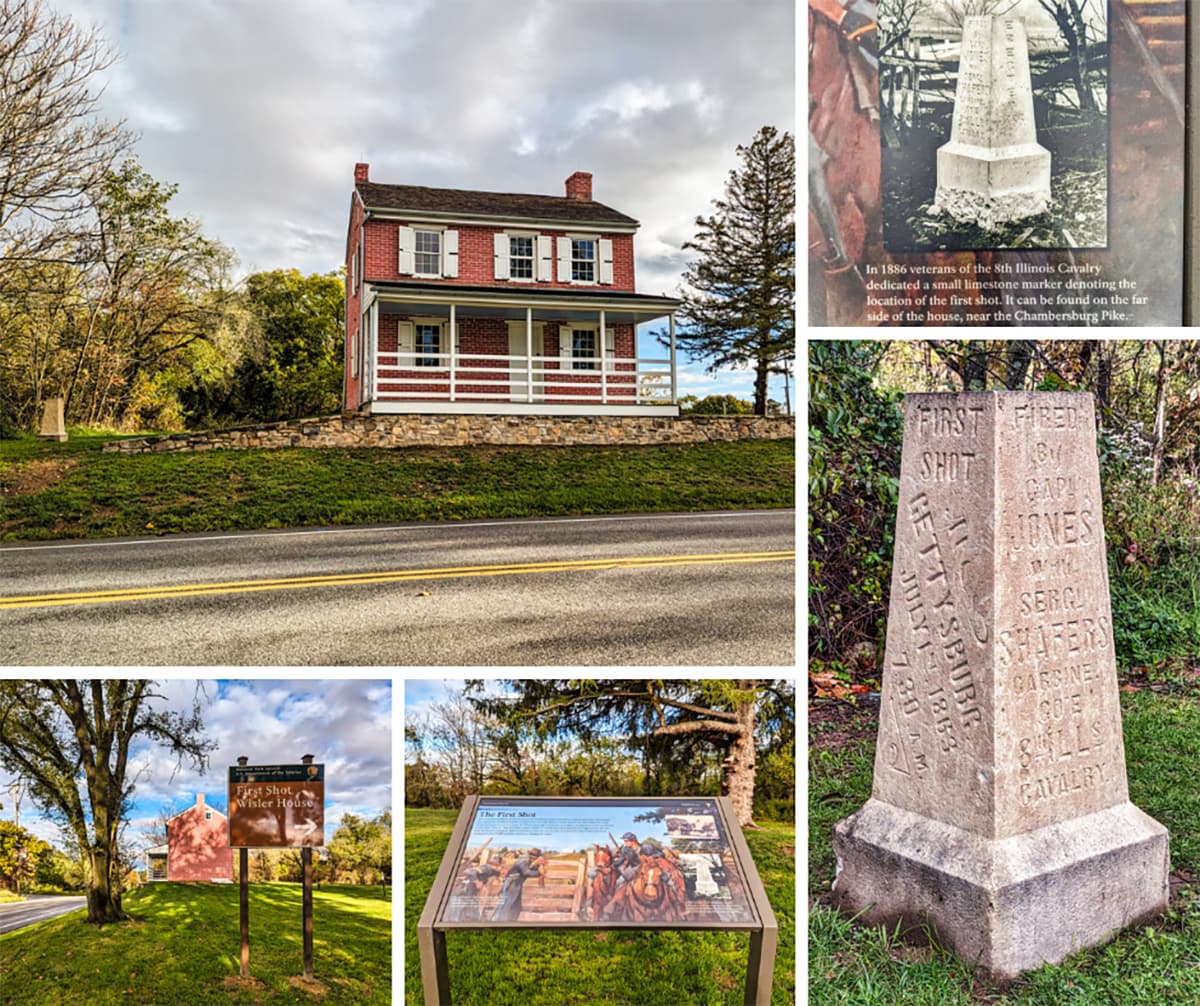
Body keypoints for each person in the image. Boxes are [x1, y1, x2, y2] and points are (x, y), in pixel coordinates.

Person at [491, 848, 545, 921]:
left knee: (516, 907)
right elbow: (526, 872)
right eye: (532, 856)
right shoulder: (523, 861)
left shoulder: (531, 862)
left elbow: (534, 868)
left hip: (517, 885)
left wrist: (540, 865)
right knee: (505, 905)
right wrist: (539, 873)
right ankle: (496, 923)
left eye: (535, 856)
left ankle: (510, 923)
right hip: (511, 884)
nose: (533, 857)